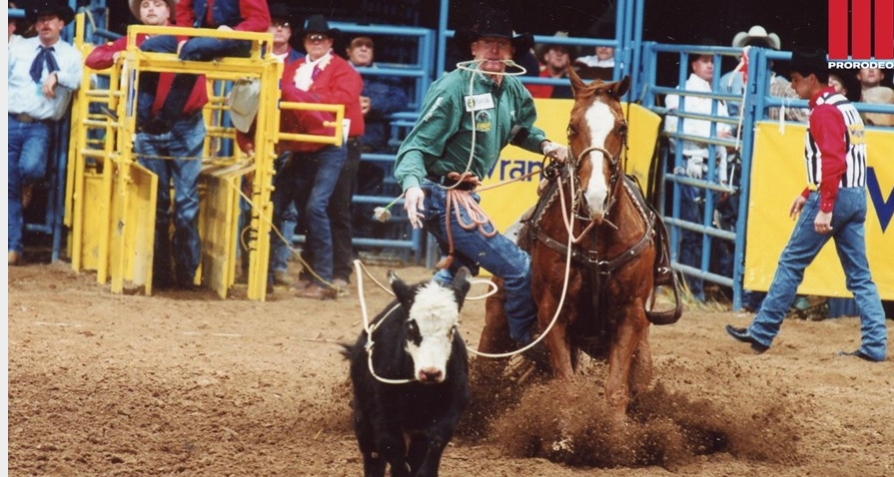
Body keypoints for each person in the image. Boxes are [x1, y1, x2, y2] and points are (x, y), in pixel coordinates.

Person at [395, 10, 568, 345]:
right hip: (440, 195)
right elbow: (415, 146)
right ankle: (526, 342)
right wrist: (412, 185)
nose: (494, 51)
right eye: (487, 43)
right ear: (474, 48)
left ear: (512, 51)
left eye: (501, 44)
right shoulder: (453, 88)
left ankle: (417, 329)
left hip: (463, 197)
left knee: (459, 269)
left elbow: (520, 130)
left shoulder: (512, 89)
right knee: (520, 269)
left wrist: (546, 144)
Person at [725, 49, 887, 363]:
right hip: (855, 195)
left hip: (835, 196)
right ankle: (875, 344)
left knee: (791, 262)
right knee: (860, 275)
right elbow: (842, 157)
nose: (793, 86)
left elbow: (833, 161)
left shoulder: (824, 111)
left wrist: (824, 205)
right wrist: (807, 190)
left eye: (796, 79)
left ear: (812, 79)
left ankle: (763, 330)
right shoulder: (845, 106)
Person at [86, 0, 209, 290]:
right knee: (158, 204)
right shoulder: (135, 39)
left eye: (157, 4)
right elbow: (94, 58)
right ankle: (161, 273)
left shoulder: (186, 36)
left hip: (184, 124)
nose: (151, 9)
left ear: (169, 11)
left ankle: (185, 273)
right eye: (145, 5)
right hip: (153, 128)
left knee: (185, 202)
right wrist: (120, 55)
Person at [271, 14, 363, 300]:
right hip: (308, 143)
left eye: (321, 38)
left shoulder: (342, 70)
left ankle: (338, 273)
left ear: (330, 41)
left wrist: (302, 97)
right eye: (311, 38)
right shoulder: (296, 68)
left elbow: (341, 98)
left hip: (340, 142)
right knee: (311, 207)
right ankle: (314, 272)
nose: (316, 42)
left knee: (335, 207)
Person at [8, 0, 82, 266]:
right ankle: (12, 246)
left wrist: (58, 76)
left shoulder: (71, 55)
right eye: (40, 19)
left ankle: (28, 184)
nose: (45, 24)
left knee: (32, 167)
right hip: (10, 120)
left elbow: (80, 79)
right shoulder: (19, 48)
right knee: (7, 186)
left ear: (61, 23)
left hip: (40, 125)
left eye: (50, 19)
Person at [135, 0, 270, 134]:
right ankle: (142, 117)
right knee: (149, 47)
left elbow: (261, 19)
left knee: (193, 49)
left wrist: (235, 31)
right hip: (204, 35)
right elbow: (184, 9)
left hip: (236, 40)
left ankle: (166, 120)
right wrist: (182, 39)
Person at [664, 47, 732, 302]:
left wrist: (722, 179)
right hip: (689, 166)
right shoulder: (677, 95)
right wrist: (712, 136)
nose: (710, 65)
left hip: (712, 170)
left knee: (707, 231)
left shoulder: (718, 99)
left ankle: (697, 289)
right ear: (693, 65)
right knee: (692, 231)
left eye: (712, 61)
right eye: (705, 61)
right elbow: (674, 133)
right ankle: (689, 290)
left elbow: (724, 141)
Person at [345, 35, 410, 245]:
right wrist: (352, 104)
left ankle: (360, 247)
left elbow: (401, 100)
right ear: (348, 51)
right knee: (341, 200)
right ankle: (344, 248)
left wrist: (373, 105)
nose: (364, 49)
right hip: (343, 146)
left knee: (366, 203)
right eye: (358, 45)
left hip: (373, 148)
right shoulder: (339, 72)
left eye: (368, 46)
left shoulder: (386, 76)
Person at [265, 2, 303, 288]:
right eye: (274, 23)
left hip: (288, 137)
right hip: (259, 137)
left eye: (284, 25)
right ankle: (254, 264)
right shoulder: (253, 55)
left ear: (290, 32)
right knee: (251, 202)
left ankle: (277, 266)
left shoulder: (301, 63)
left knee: (286, 208)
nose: (278, 29)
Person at [526, 32, 575, 99]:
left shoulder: (573, 87)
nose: (559, 54)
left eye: (564, 51)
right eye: (555, 49)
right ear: (546, 56)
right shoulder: (532, 81)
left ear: (568, 59)